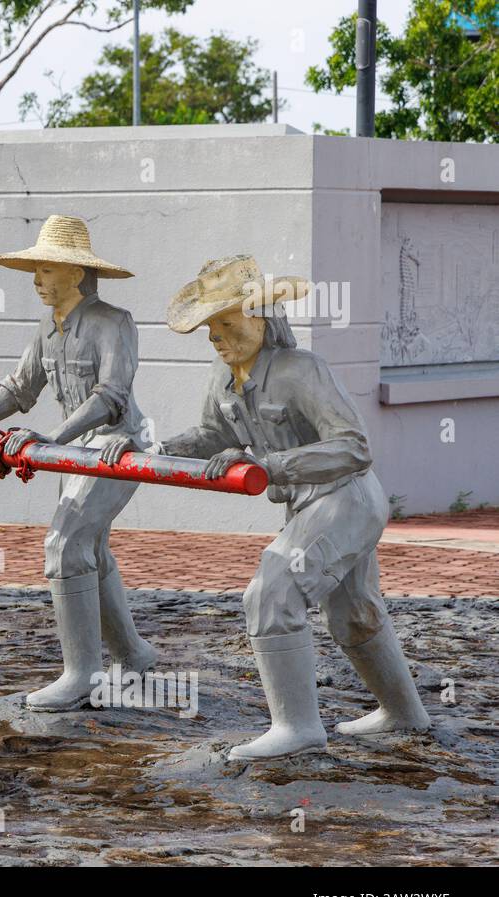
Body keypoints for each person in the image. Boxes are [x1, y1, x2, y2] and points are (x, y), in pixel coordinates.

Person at [107, 255, 431, 759]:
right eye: (210, 326)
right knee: (355, 615)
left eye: (227, 322)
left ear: (262, 318)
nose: (216, 335)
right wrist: (154, 451)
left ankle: (297, 726)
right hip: (306, 505)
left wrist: (268, 462)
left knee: (273, 590)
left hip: (347, 498)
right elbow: (213, 435)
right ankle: (405, 715)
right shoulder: (223, 377)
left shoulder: (303, 371)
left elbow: (354, 448)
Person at [0, 215, 156, 711]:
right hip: (73, 450)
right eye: (36, 270)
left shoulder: (115, 322)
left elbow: (111, 396)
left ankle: (82, 674)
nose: (37, 280)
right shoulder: (47, 329)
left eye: (46, 270)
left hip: (118, 444)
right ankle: (133, 653)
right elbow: (19, 388)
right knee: (91, 548)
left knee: (64, 544)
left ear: (75, 273)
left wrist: (54, 436)